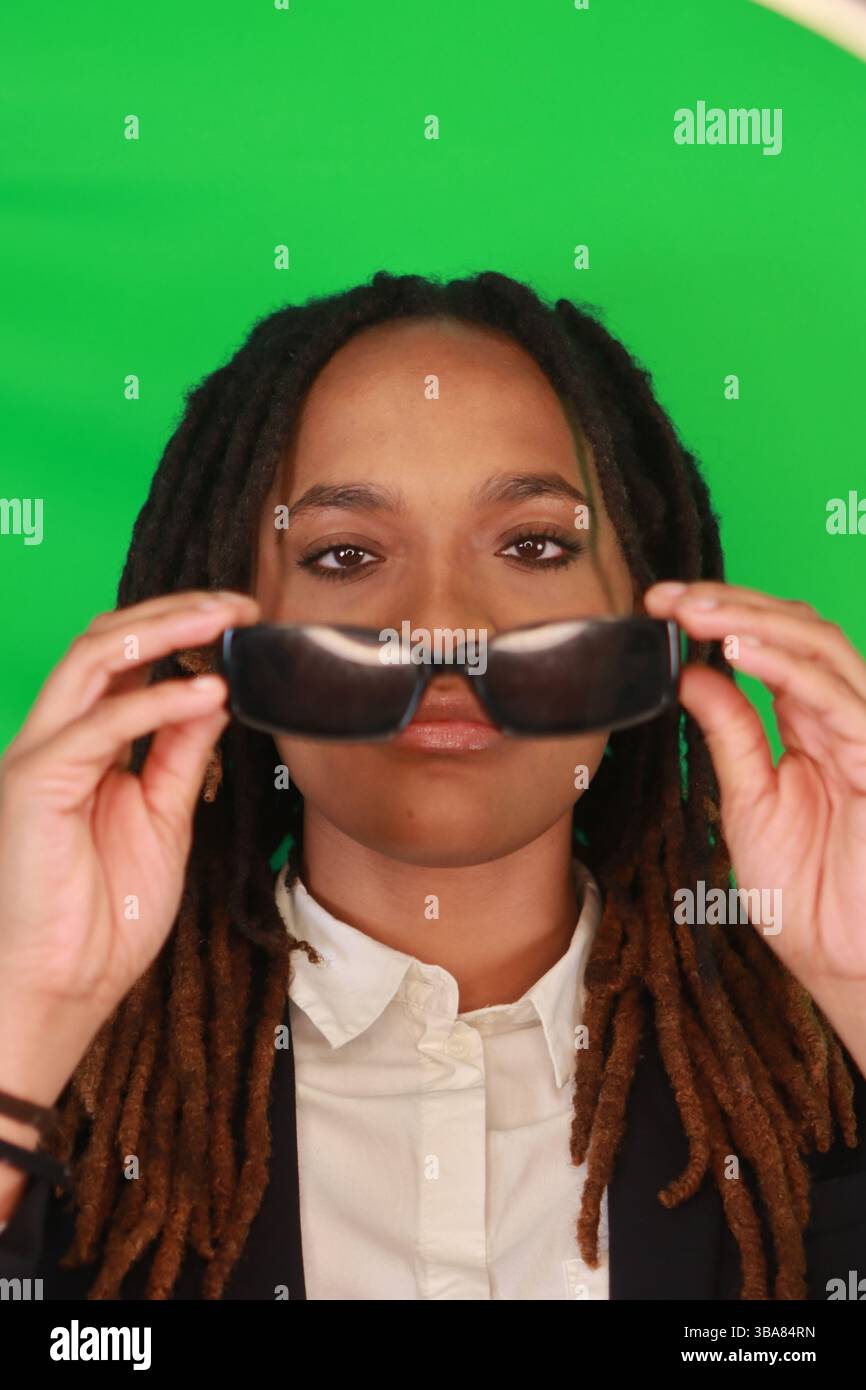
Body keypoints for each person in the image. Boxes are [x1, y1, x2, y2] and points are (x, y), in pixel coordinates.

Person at [1, 270, 865, 1301]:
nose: (441, 625)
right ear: (217, 648)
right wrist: (30, 1002)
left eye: (534, 544)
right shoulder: (58, 1088)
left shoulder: (812, 1084)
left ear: (643, 625)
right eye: (346, 552)